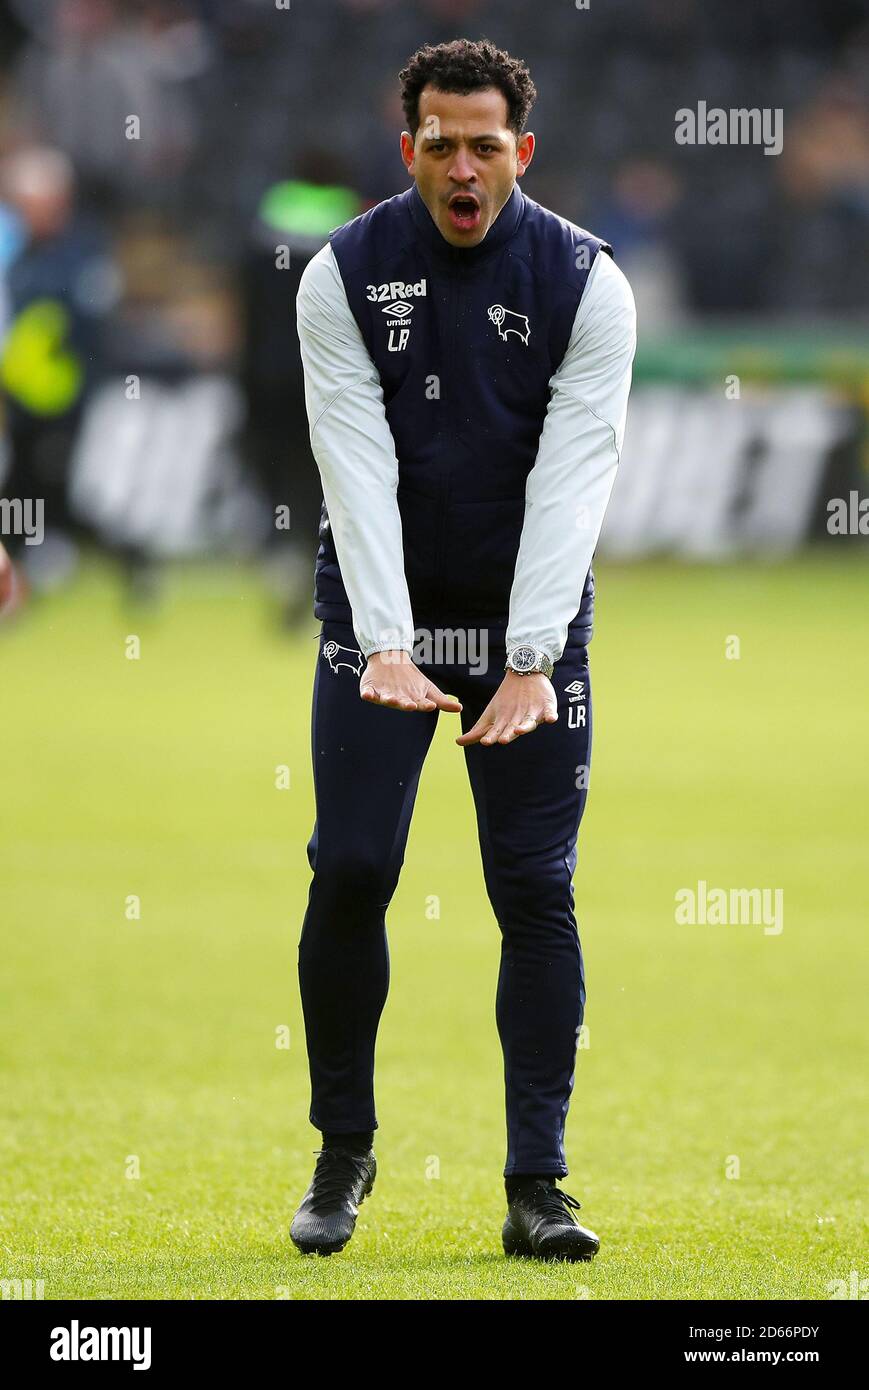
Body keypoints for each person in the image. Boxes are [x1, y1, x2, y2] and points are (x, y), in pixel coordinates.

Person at [291, 38, 636, 1262]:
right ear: (408, 151)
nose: (460, 164)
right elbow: (354, 463)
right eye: (438, 141)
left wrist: (532, 656)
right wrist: (385, 640)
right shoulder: (339, 273)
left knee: (534, 889)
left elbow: (572, 481)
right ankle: (341, 1152)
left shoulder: (586, 283)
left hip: (524, 630)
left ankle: (536, 1184)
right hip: (383, 620)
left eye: (483, 143)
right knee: (352, 871)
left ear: (520, 153)